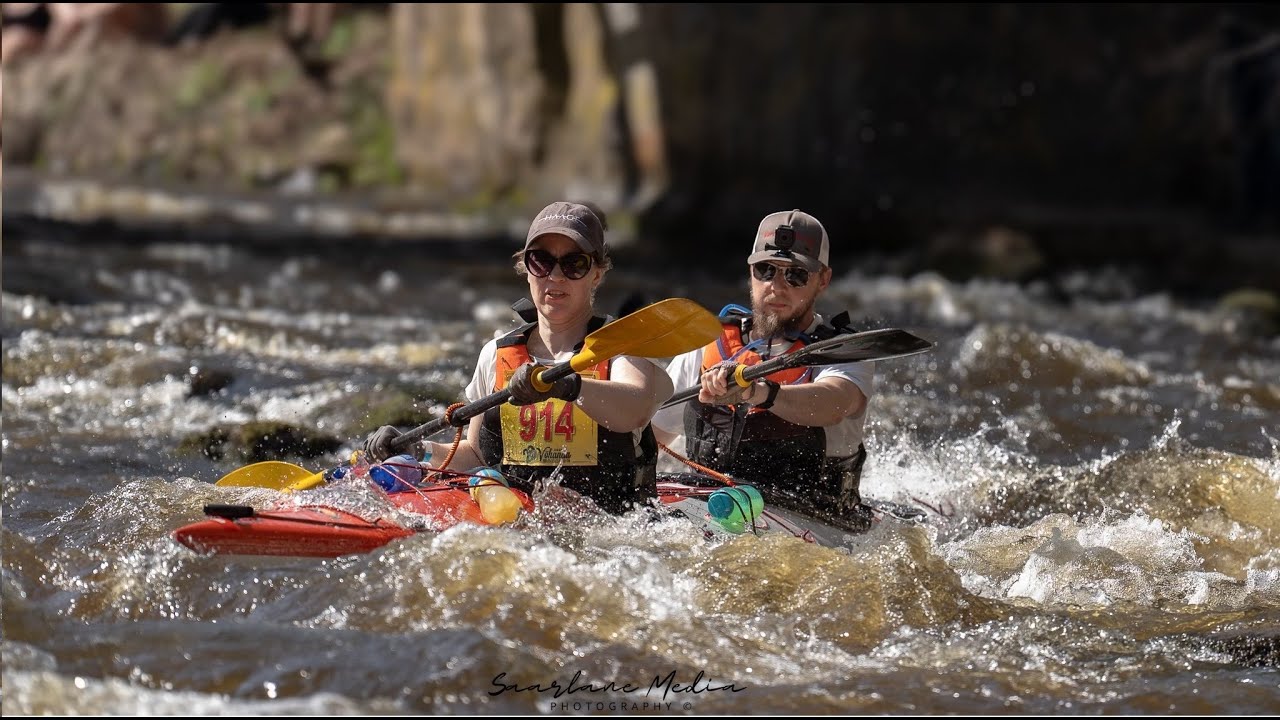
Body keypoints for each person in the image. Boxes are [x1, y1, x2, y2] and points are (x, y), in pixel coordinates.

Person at [363, 201, 674, 515]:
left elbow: (636, 408)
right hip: (523, 524)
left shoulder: (620, 348)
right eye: (541, 262)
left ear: (596, 273)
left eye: (574, 264)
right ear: (527, 270)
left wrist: (566, 386)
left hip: (615, 529)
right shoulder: (497, 354)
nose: (555, 276)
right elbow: (478, 456)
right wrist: (418, 450)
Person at [650, 210, 877, 531]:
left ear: (823, 280)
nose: (777, 286)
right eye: (766, 270)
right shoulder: (708, 346)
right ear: (751, 272)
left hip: (817, 518)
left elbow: (836, 402)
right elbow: (648, 440)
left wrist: (757, 392)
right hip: (714, 510)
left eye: (796, 274)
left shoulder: (842, 352)